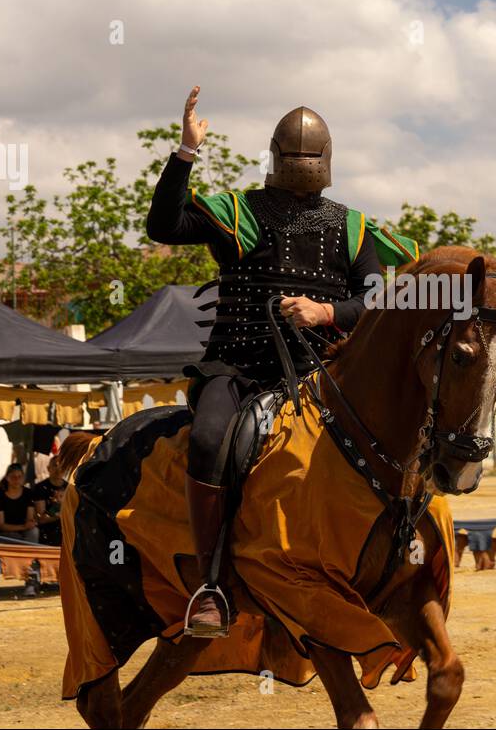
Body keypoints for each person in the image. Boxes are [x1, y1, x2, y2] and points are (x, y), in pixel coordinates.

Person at [145, 89, 418, 636]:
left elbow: (377, 302)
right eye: (296, 157)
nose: (303, 165)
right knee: (208, 440)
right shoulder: (238, 212)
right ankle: (212, 585)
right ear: (274, 158)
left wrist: (326, 311)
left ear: (328, 160)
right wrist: (186, 152)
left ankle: (399, 555)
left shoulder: (353, 227)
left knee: (404, 430)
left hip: (323, 374)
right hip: (238, 370)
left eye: (311, 157)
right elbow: (163, 226)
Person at [0, 463, 40, 596]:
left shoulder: (28, 493)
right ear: (7, 478)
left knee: (33, 533)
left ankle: (31, 581)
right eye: (13, 477)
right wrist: (23, 527)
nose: (17, 480)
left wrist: (27, 526)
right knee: (19, 540)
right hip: (5, 533)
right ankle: (30, 577)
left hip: (24, 533)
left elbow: (30, 518)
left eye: (19, 477)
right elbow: (0, 524)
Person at [32, 464, 66, 547]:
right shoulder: (40, 488)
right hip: (47, 530)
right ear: (48, 468)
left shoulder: (70, 488)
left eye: (61, 466)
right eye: (55, 465)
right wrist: (59, 515)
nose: (58, 469)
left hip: (66, 528)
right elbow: (42, 519)